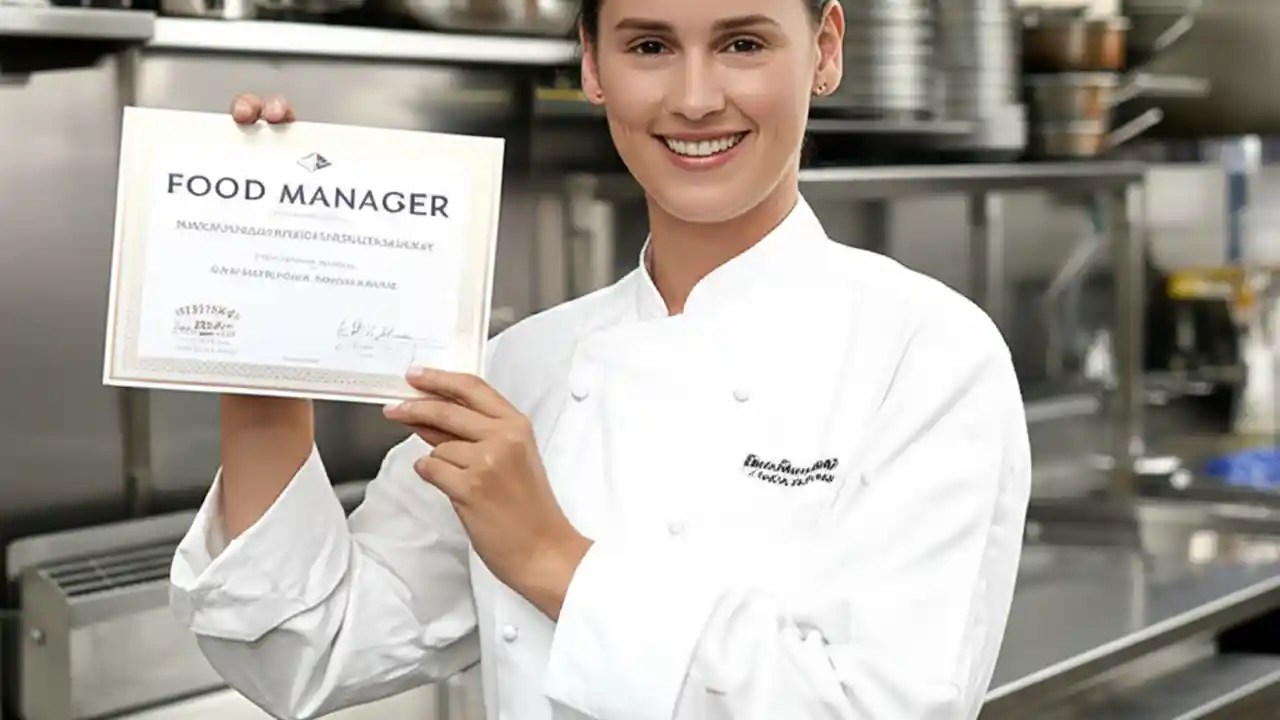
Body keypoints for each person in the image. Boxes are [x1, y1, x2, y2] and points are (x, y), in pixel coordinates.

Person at [168, 0, 1032, 718]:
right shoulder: (524, 368)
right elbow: (303, 651)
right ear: (591, 65)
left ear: (825, 51)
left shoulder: (925, 355)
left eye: (742, 43)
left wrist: (549, 556)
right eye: (649, 46)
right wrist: (265, 345)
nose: (695, 99)